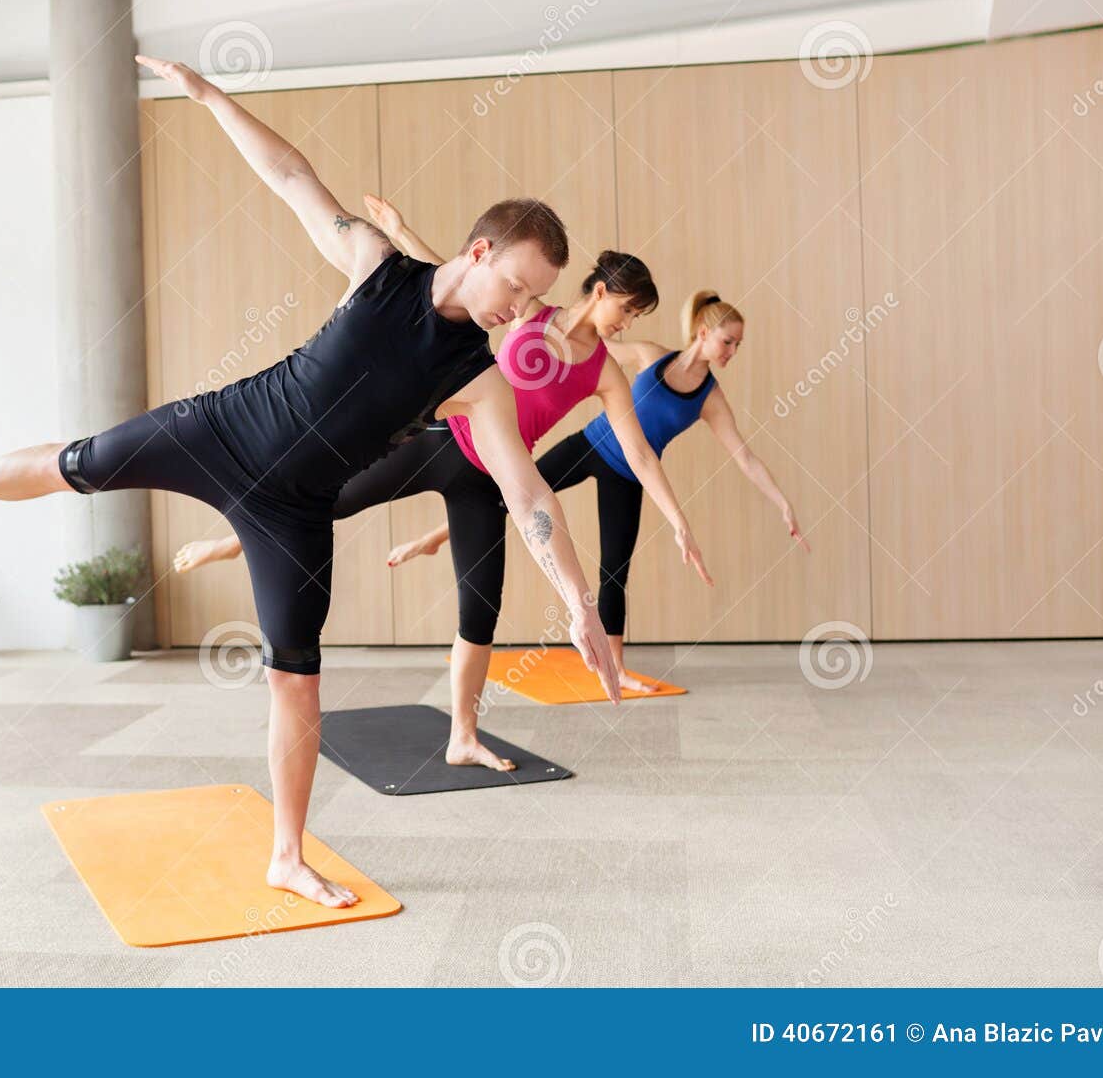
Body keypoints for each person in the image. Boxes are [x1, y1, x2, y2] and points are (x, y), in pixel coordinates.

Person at [0, 56, 618, 910]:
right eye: (516, 286)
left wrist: (578, 603)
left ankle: (286, 856)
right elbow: (292, 175)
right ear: (480, 252)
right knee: (75, 464)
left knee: (297, 680)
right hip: (221, 430)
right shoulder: (376, 264)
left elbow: (527, 493)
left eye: (534, 299)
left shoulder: (479, 379)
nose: (520, 311)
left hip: (296, 512)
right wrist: (211, 97)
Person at [176, 193, 714, 750]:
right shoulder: (529, 310)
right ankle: (232, 539)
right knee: (329, 497)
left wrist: (679, 522)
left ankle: (463, 737)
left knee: (480, 609)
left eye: (636, 318)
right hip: (440, 437)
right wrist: (401, 229)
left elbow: (639, 454)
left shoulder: (605, 372)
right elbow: (461, 281)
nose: (626, 323)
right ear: (600, 292)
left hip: (492, 479)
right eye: (627, 309)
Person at [395, 288, 810, 683]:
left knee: (615, 570)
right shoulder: (650, 355)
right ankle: (435, 538)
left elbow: (745, 457)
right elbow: (593, 350)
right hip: (588, 445)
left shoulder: (710, 398)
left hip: (629, 474)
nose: (732, 351)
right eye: (728, 341)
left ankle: (618, 668)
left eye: (737, 345)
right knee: (511, 502)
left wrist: (783, 504)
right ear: (704, 333)